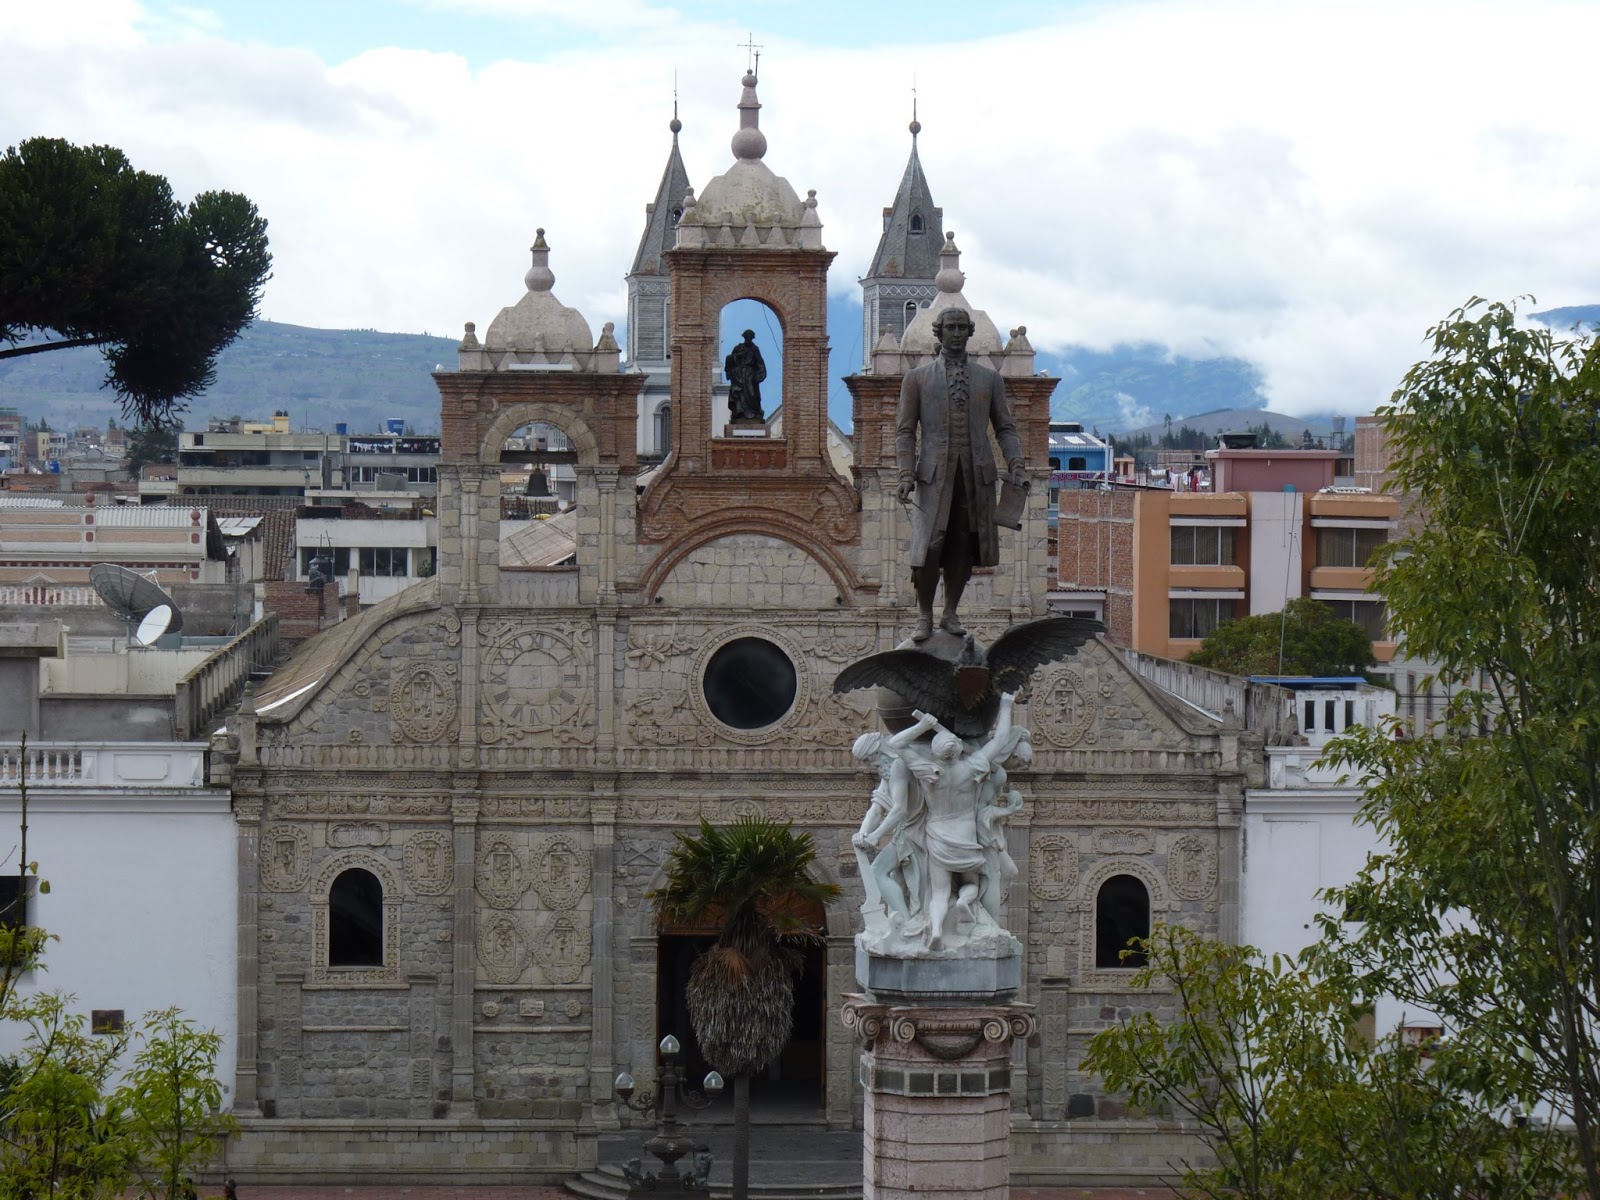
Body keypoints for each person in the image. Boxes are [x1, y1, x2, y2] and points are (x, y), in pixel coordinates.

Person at [895, 307, 1026, 641]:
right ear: (938, 332)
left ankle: (950, 613)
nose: (955, 333)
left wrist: (1017, 464)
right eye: (949, 327)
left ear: (969, 333)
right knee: (929, 547)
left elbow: (1005, 428)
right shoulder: (918, 378)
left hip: (975, 474)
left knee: (964, 545)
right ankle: (925, 614)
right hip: (932, 477)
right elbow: (905, 432)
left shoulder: (989, 379)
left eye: (961, 328)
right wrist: (905, 473)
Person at [908, 692, 1020, 950]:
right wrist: (1006, 703)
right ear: (957, 749)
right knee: (971, 883)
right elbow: (1002, 738)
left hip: (938, 836)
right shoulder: (970, 768)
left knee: (938, 893)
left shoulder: (928, 773)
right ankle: (964, 903)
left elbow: (896, 746)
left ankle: (936, 928)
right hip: (966, 838)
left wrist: (921, 727)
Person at [724, 329, 767, 421]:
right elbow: (729, 359)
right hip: (738, 375)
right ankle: (739, 413)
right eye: (747, 337)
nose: (748, 339)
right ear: (744, 338)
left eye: (750, 338)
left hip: (749, 375)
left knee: (752, 394)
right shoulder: (738, 348)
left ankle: (755, 414)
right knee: (739, 395)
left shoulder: (755, 349)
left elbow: (760, 362)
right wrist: (738, 356)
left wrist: (759, 376)